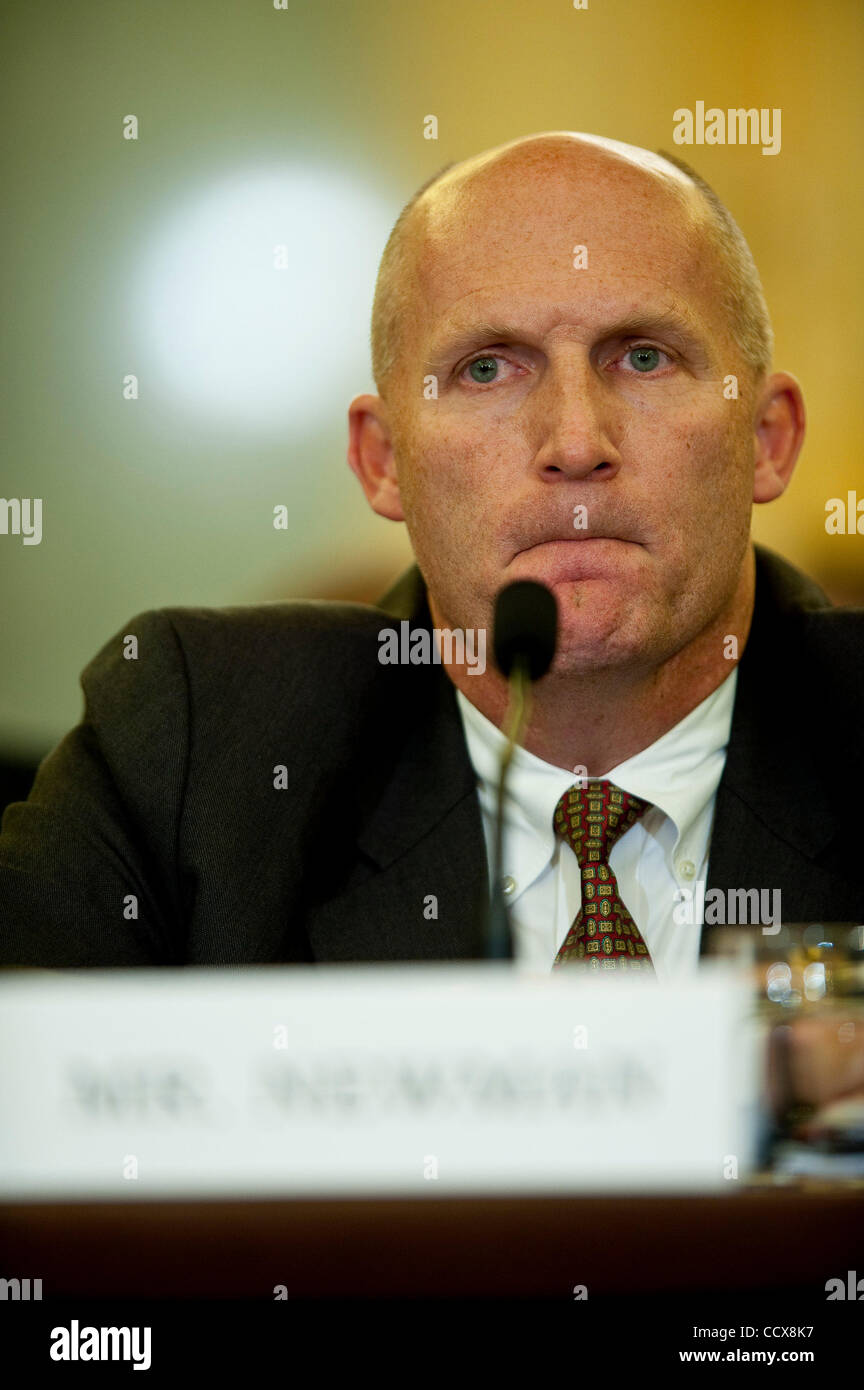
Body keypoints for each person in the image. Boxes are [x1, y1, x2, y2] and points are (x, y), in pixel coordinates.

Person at [1, 131, 862, 975]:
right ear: (383, 462)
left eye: (644, 357)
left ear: (767, 438)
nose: (574, 441)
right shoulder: (194, 756)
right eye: (487, 370)